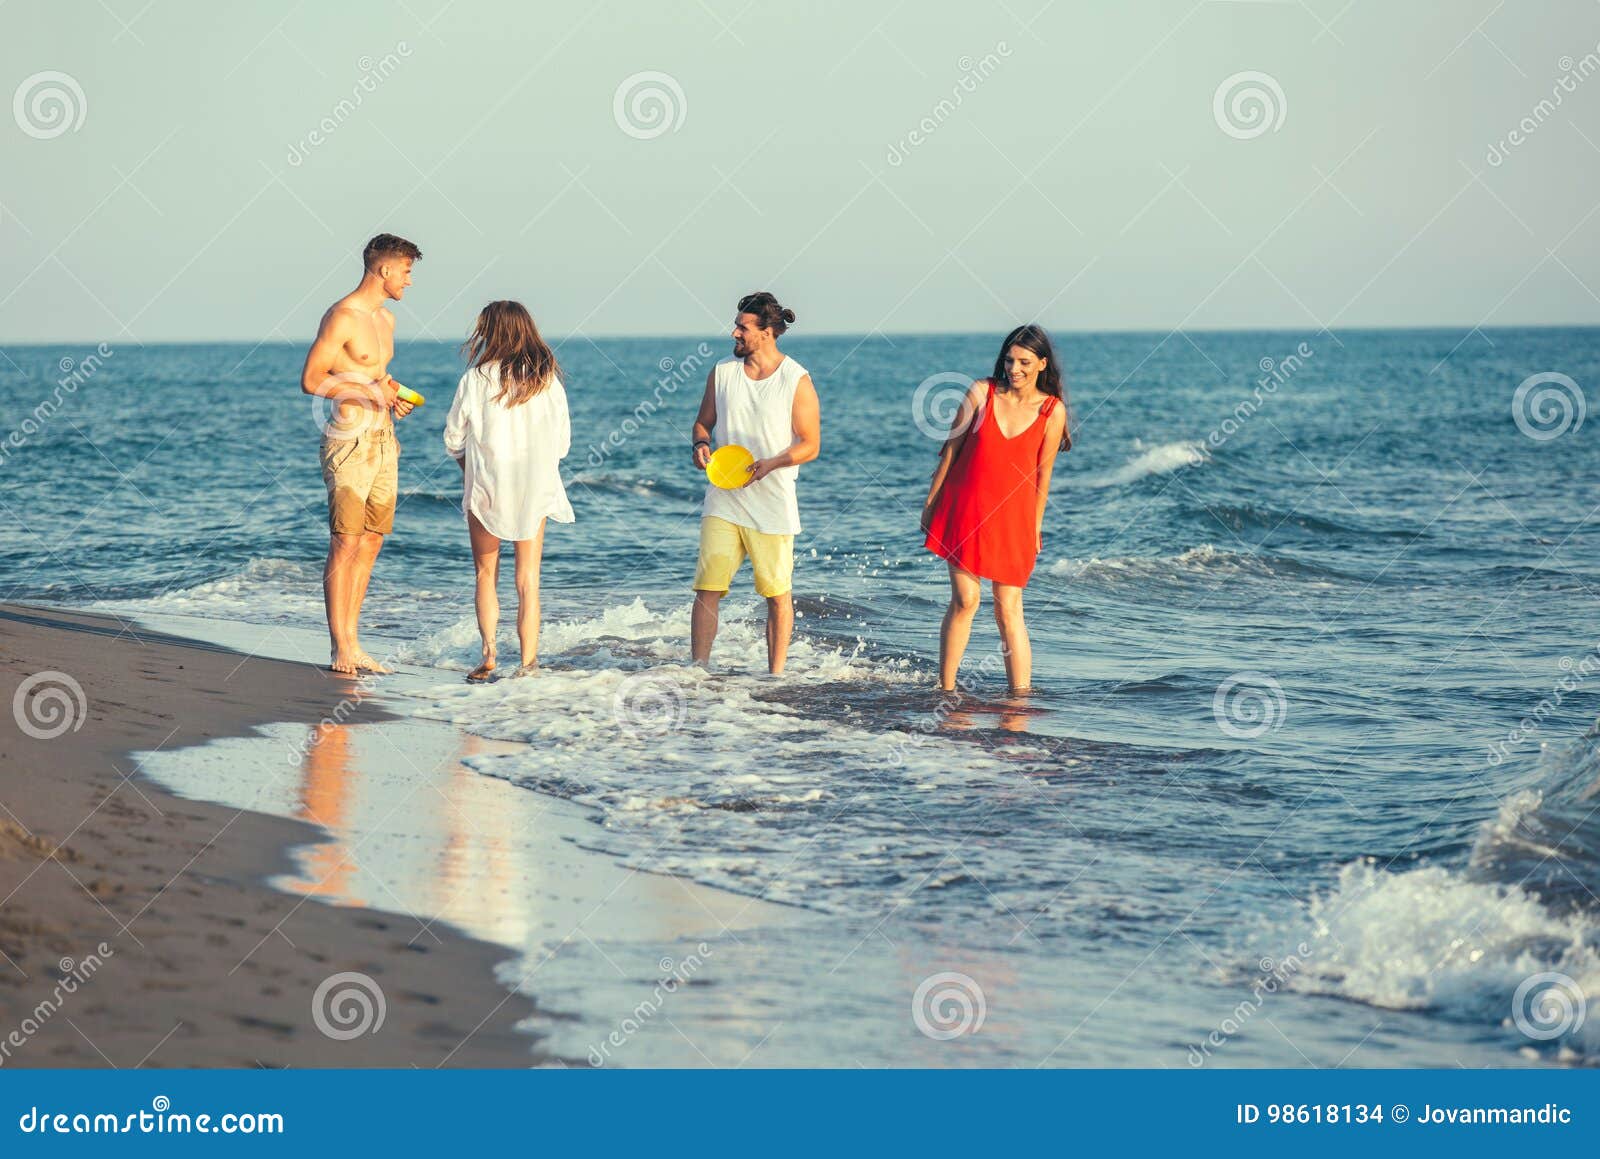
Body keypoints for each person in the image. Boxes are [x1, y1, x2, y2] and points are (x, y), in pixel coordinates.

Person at [921, 324, 1070, 693]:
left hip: (1013, 518)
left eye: (1023, 361)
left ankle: (1019, 697)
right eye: (1009, 360)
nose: (1014, 368)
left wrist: (1035, 527)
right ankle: (946, 688)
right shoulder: (981, 391)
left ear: (1041, 364)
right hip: (964, 506)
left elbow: (1043, 476)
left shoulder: (1052, 411)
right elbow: (951, 450)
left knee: (1008, 607)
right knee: (965, 599)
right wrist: (930, 502)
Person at [300, 233, 422, 675]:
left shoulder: (386, 321)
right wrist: (368, 391)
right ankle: (339, 648)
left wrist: (391, 394)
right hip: (348, 441)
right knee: (345, 540)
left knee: (371, 542)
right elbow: (312, 379)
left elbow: (377, 377)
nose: (409, 281)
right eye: (407, 272)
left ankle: (354, 641)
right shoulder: (342, 317)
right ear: (385, 269)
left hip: (384, 442)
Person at [689, 291, 820, 675]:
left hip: (772, 502)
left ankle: (775, 677)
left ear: (767, 332)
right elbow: (703, 423)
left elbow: (811, 444)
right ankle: (699, 671)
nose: (734, 333)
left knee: (777, 594)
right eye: (736, 326)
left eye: (743, 327)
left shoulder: (796, 379)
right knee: (706, 589)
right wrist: (700, 443)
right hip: (723, 498)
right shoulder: (723, 373)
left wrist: (773, 463)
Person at [443, 301, 573, 683]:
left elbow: (454, 439)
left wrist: (472, 471)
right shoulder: (548, 381)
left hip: (487, 488)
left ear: (490, 333)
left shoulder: (476, 379)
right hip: (536, 487)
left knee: (486, 574)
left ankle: (489, 656)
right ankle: (529, 662)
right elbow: (562, 444)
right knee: (528, 579)